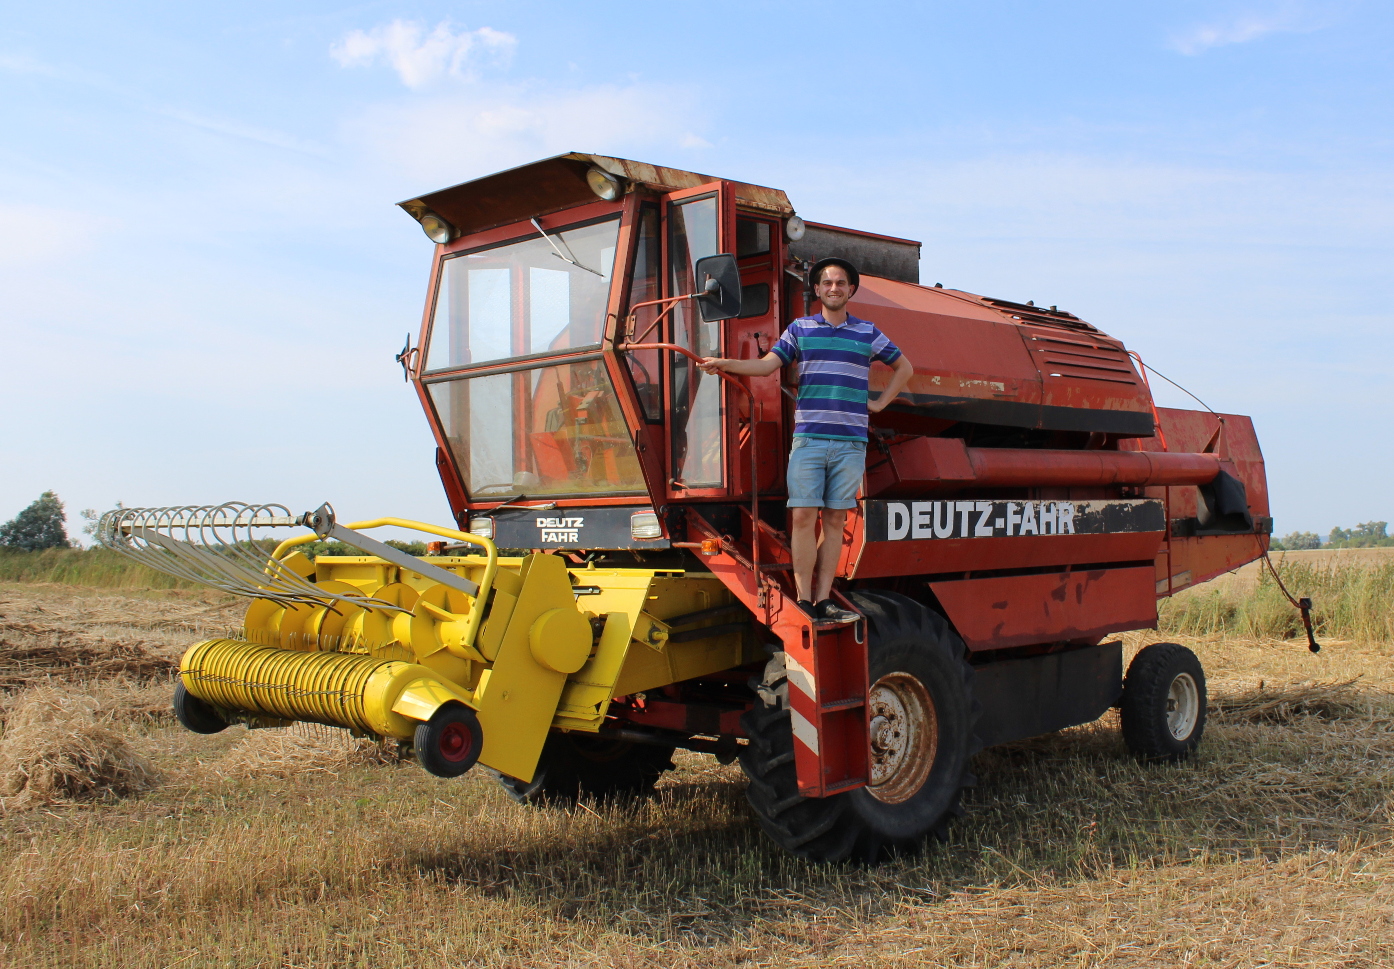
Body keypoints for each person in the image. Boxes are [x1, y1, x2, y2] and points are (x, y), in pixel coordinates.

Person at [698, 257, 915, 623]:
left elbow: (904, 367)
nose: (833, 288)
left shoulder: (867, 332)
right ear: (816, 290)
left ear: (850, 290)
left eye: (840, 283)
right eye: (827, 283)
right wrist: (724, 363)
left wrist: (879, 403)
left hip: (849, 442)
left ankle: (824, 598)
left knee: (833, 521)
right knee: (802, 517)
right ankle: (804, 599)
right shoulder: (800, 329)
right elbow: (768, 365)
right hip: (810, 439)